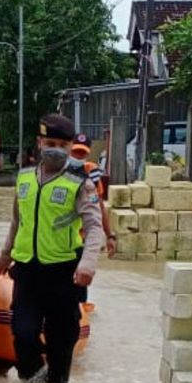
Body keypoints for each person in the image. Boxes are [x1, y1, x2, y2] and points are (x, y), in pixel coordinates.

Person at [0, 114, 104, 383]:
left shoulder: (81, 183)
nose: (55, 149)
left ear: (69, 148)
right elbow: (18, 222)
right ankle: (33, 382)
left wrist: (88, 265)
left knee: (62, 339)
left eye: (62, 145)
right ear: (40, 142)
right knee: (23, 332)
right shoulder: (25, 178)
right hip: (28, 271)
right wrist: (4, 256)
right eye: (50, 142)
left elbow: (94, 227)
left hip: (64, 273)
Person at [67, 133, 117, 311]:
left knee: (79, 290)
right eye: (75, 152)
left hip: (80, 240)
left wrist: (110, 235)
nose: (78, 156)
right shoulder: (54, 172)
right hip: (56, 243)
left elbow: (99, 207)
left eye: (82, 153)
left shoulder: (92, 173)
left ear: (87, 154)